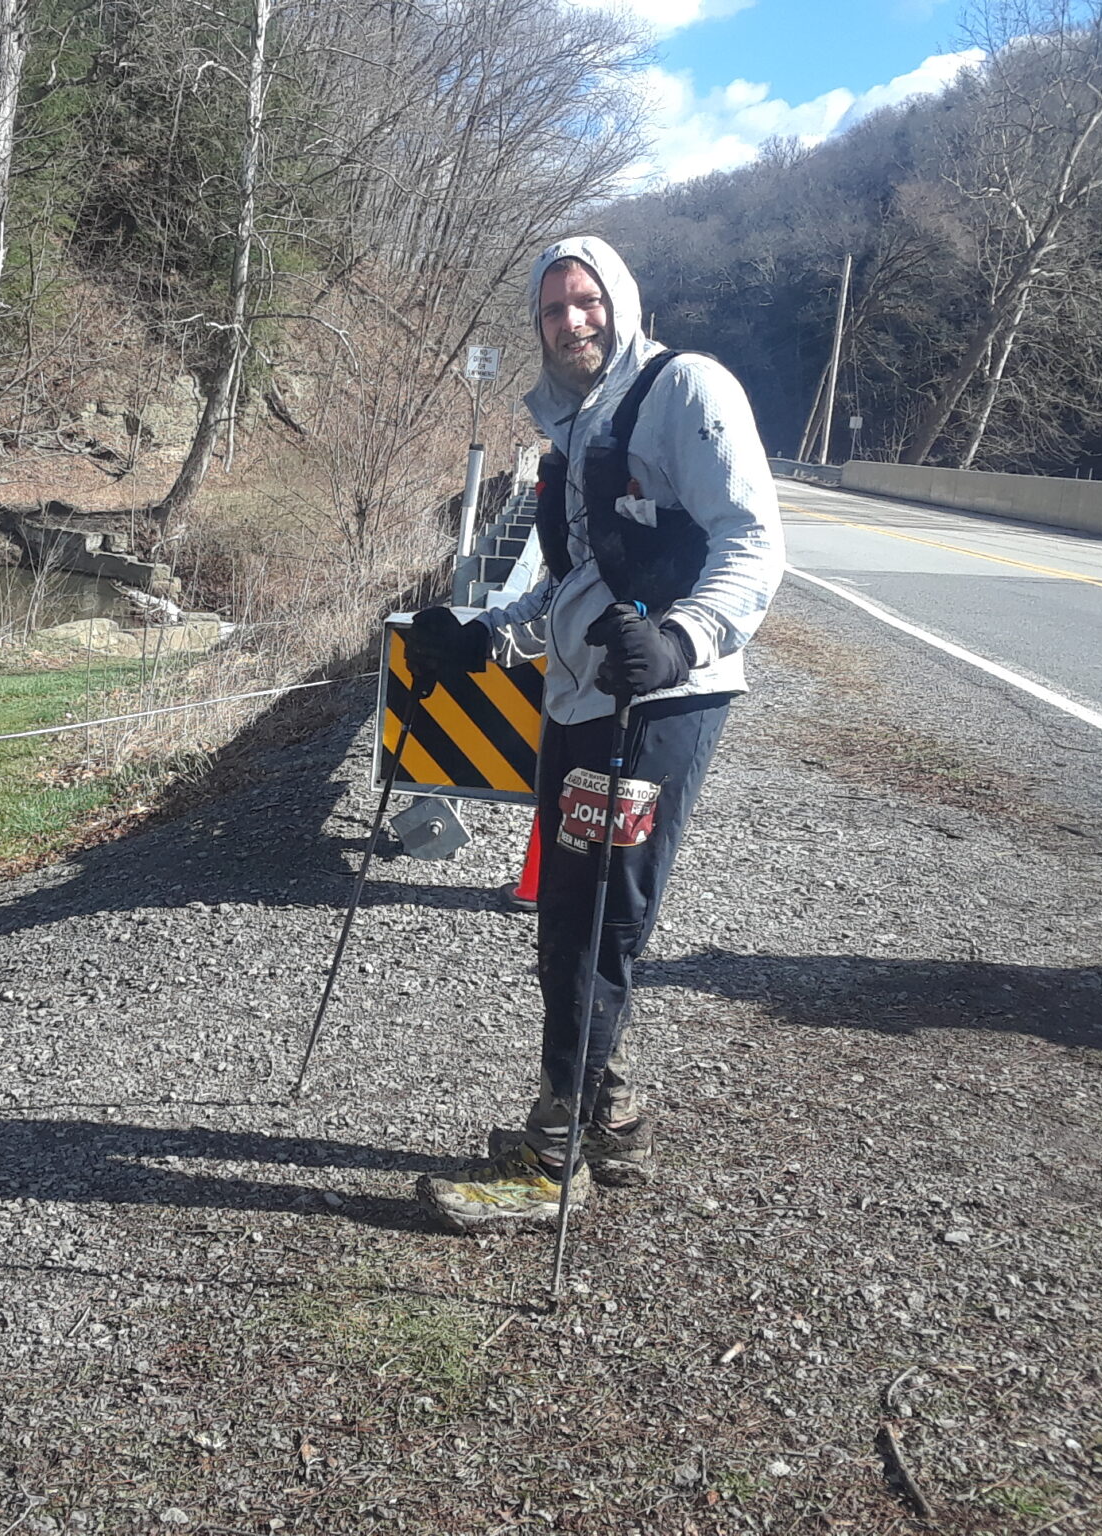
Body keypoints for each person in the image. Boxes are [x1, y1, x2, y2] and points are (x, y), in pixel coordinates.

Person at [405, 235, 784, 1232]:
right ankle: (606, 1113)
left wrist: (681, 638)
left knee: (592, 918)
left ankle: (553, 1152)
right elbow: (569, 582)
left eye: (584, 302)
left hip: (657, 700)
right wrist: (481, 637)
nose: (569, 323)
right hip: (579, 698)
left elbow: (751, 540)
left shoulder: (685, 389)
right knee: (573, 908)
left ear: (617, 299)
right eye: (549, 310)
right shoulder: (573, 424)